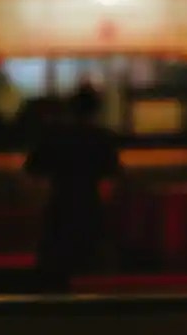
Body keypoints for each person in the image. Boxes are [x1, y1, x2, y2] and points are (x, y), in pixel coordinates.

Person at [25, 83, 121, 290]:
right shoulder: (102, 138)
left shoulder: (53, 136)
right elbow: (109, 183)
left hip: (59, 210)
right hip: (90, 210)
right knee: (91, 274)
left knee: (55, 273)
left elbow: (33, 177)